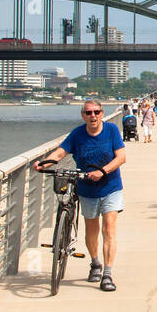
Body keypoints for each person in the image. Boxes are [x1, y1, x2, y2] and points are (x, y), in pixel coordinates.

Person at [34, 99, 126, 291]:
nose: (93, 116)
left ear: (102, 113)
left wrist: (103, 171)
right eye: (88, 113)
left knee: (109, 228)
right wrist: (44, 163)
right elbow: (60, 153)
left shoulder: (111, 131)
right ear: (83, 116)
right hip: (86, 189)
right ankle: (95, 263)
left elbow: (121, 157)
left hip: (111, 186)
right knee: (91, 228)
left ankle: (107, 274)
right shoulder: (77, 134)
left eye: (96, 112)